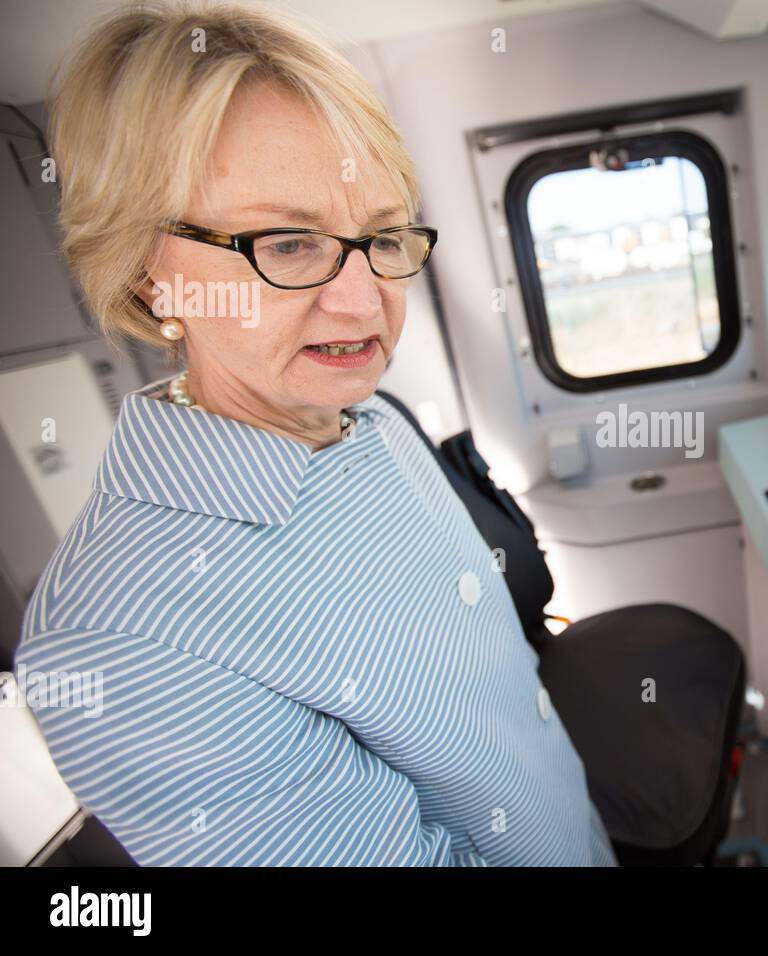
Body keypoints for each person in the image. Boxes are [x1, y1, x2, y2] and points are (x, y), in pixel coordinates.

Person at [16, 0, 616, 866]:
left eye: (380, 236)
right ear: (149, 276)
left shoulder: (375, 419)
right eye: (288, 244)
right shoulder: (122, 640)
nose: (365, 300)